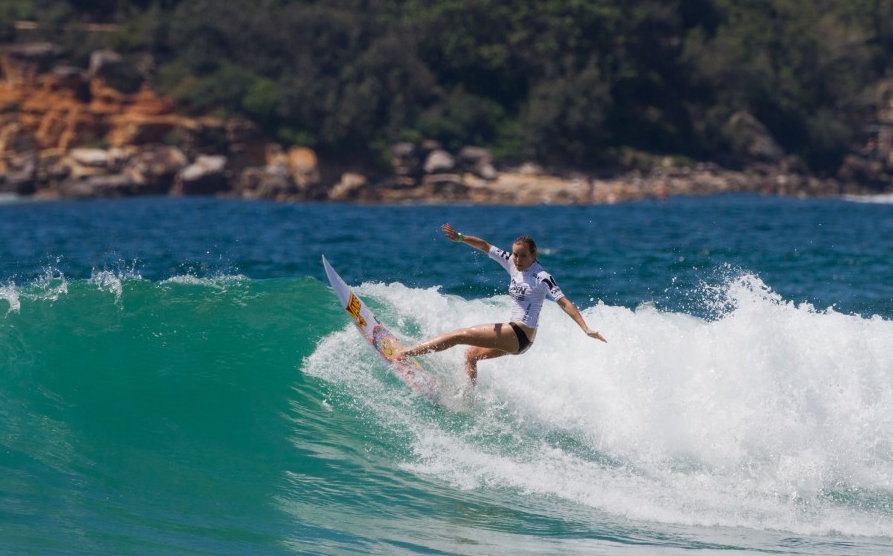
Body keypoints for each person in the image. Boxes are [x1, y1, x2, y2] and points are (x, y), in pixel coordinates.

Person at [396, 223, 606, 385]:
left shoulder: (541, 276)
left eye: (523, 255)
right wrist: (460, 238)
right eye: (515, 254)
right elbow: (485, 246)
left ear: (534, 255)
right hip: (517, 340)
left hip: (520, 333)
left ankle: (404, 354)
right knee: (471, 355)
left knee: (459, 335)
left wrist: (585, 328)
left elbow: (564, 302)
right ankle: (467, 402)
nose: (518, 259)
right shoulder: (511, 263)